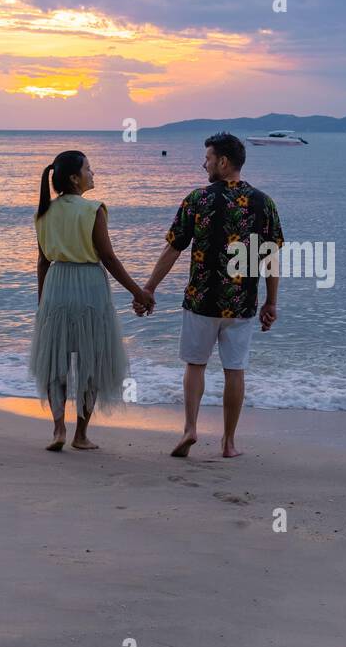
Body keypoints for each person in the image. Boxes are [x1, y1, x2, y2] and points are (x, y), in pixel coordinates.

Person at [140, 132, 283, 458]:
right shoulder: (263, 203)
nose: (203, 163)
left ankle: (190, 428)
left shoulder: (198, 200)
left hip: (201, 300)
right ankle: (229, 442)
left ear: (222, 161)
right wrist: (271, 302)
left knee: (195, 365)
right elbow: (271, 258)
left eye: (207, 158)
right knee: (235, 370)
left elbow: (173, 248)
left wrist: (149, 288)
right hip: (241, 304)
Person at [29, 150, 154, 451]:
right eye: (88, 169)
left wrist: (41, 299)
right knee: (92, 361)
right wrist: (138, 292)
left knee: (55, 358)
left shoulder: (44, 212)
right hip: (88, 285)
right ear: (74, 178)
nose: (93, 173)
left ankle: (58, 428)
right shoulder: (93, 209)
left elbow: (43, 262)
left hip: (56, 286)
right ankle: (80, 436)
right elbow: (108, 257)